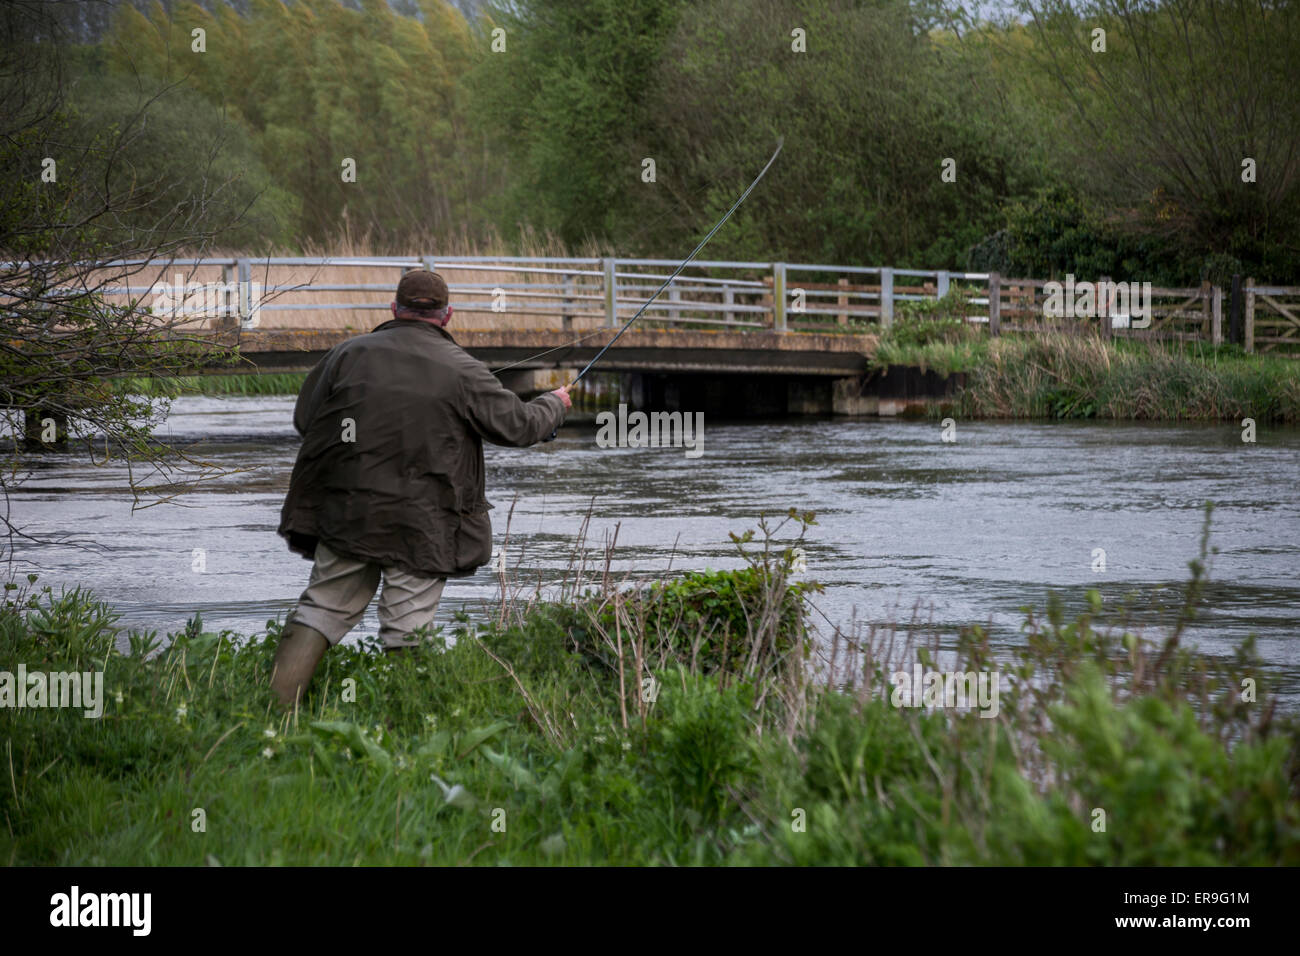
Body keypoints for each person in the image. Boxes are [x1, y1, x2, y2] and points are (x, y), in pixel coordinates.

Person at [271, 270, 570, 708]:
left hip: (349, 514)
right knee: (408, 627)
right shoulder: (465, 370)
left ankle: (270, 714)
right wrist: (554, 405)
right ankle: (408, 730)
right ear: (447, 315)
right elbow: (520, 427)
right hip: (424, 523)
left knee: (322, 609)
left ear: (394, 309)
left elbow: (305, 422)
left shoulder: (345, 355)